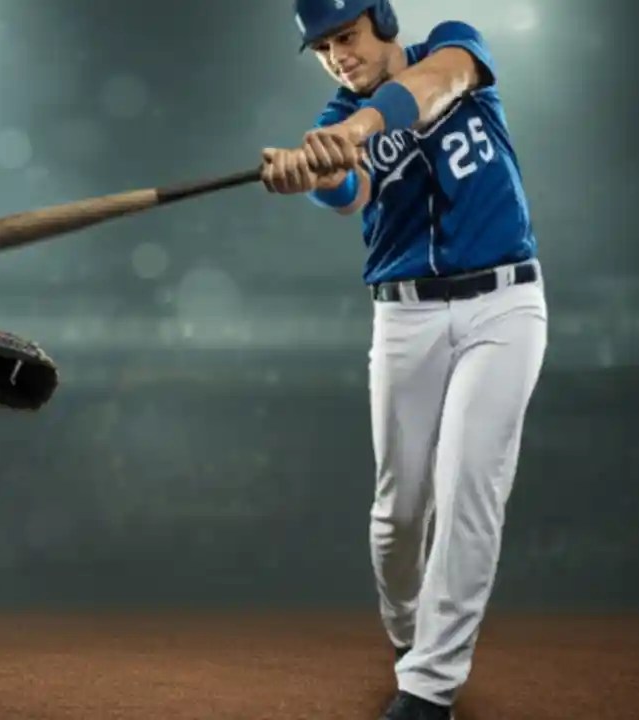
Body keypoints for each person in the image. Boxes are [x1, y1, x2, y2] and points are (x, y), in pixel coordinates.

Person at [261, 2, 548, 718]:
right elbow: (348, 189)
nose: (338, 56)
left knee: (468, 488)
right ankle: (408, 637)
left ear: (382, 18)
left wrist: (356, 131)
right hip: (405, 315)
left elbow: (437, 86)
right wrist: (316, 175)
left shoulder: (453, 46)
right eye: (322, 47)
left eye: (347, 36)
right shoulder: (335, 116)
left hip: (504, 305)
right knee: (400, 512)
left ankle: (428, 689)